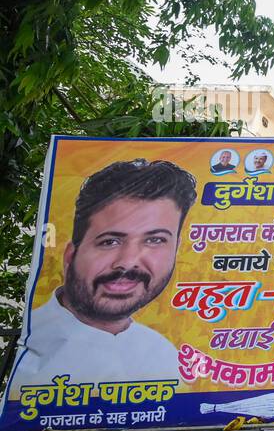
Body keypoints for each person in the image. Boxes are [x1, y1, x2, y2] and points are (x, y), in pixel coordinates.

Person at [9, 159, 197, 395]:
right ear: (71, 254)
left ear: (176, 248)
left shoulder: (163, 356)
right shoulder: (37, 344)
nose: (128, 262)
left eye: (155, 240)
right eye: (110, 241)